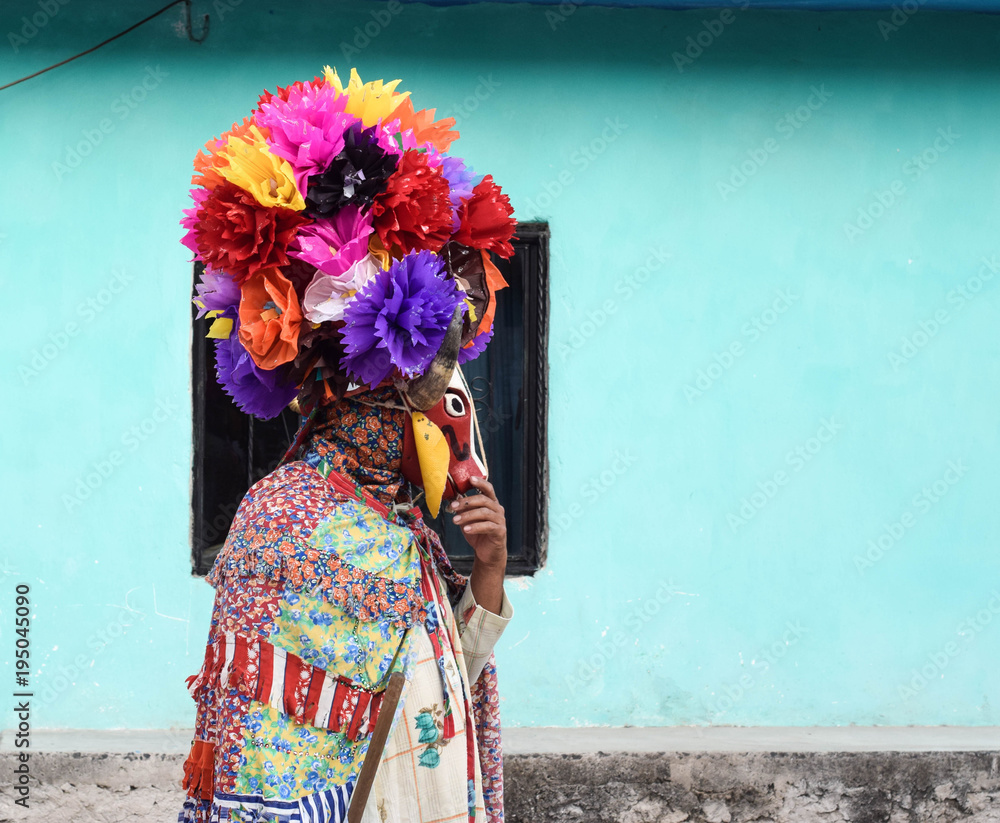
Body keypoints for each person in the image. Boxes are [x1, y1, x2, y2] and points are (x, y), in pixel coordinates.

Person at [178, 66, 519, 823]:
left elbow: (439, 699)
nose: (452, 443)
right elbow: (254, 745)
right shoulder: (280, 518)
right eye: (440, 415)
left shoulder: (405, 533)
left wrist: (489, 573)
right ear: (388, 408)